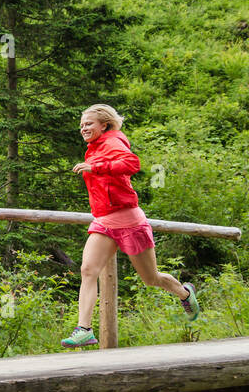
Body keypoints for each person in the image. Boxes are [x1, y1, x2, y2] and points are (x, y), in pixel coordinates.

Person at [61, 104, 198, 348]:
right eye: (81, 125)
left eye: (89, 123)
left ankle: (185, 294)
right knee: (87, 270)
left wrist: (97, 167)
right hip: (104, 220)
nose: (83, 128)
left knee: (151, 278)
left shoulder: (113, 142)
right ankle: (84, 329)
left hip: (128, 220)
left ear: (105, 125)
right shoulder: (93, 149)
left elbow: (132, 164)